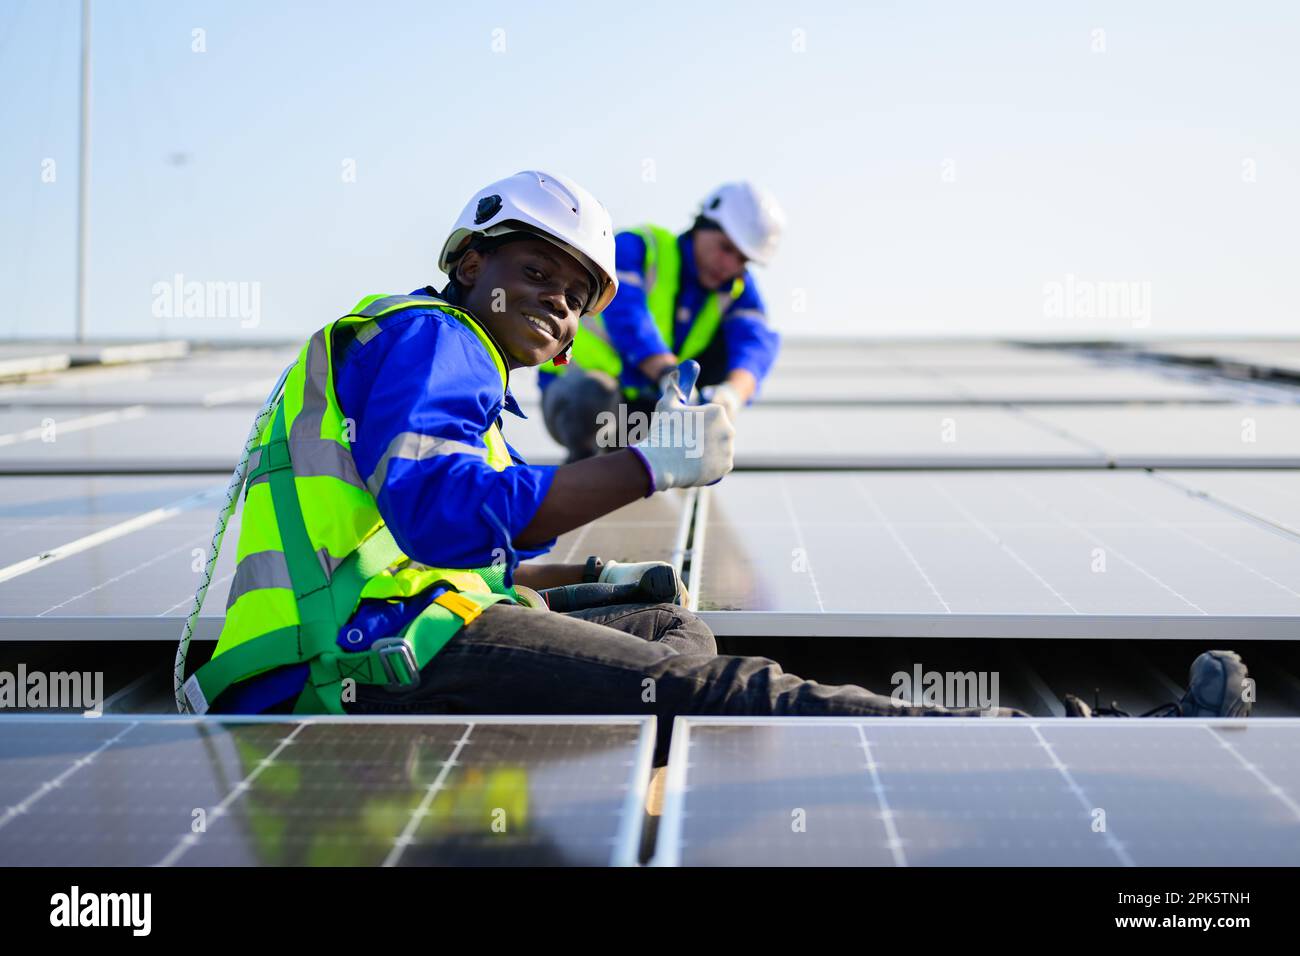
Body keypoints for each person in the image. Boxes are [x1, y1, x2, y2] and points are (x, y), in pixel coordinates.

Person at [181, 170, 1251, 766]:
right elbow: (435, 516)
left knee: (667, 622)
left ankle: (675, 732)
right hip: (357, 660)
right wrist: (651, 462)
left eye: (574, 292)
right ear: (469, 264)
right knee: (719, 684)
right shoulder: (435, 337)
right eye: (533, 271)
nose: (556, 301)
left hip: (385, 630)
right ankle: (1070, 746)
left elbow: (435, 542)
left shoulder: (458, 368)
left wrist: (573, 584)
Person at [538, 182, 785, 462]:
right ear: (702, 226)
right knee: (594, 398)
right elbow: (626, 314)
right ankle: (579, 480)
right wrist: (669, 376)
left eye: (742, 259)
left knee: (698, 417)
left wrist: (732, 395)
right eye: (726, 248)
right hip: (576, 392)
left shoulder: (737, 289)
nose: (729, 264)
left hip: (643, 403)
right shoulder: (642, 248)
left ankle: (636, 477)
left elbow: (757, 342)